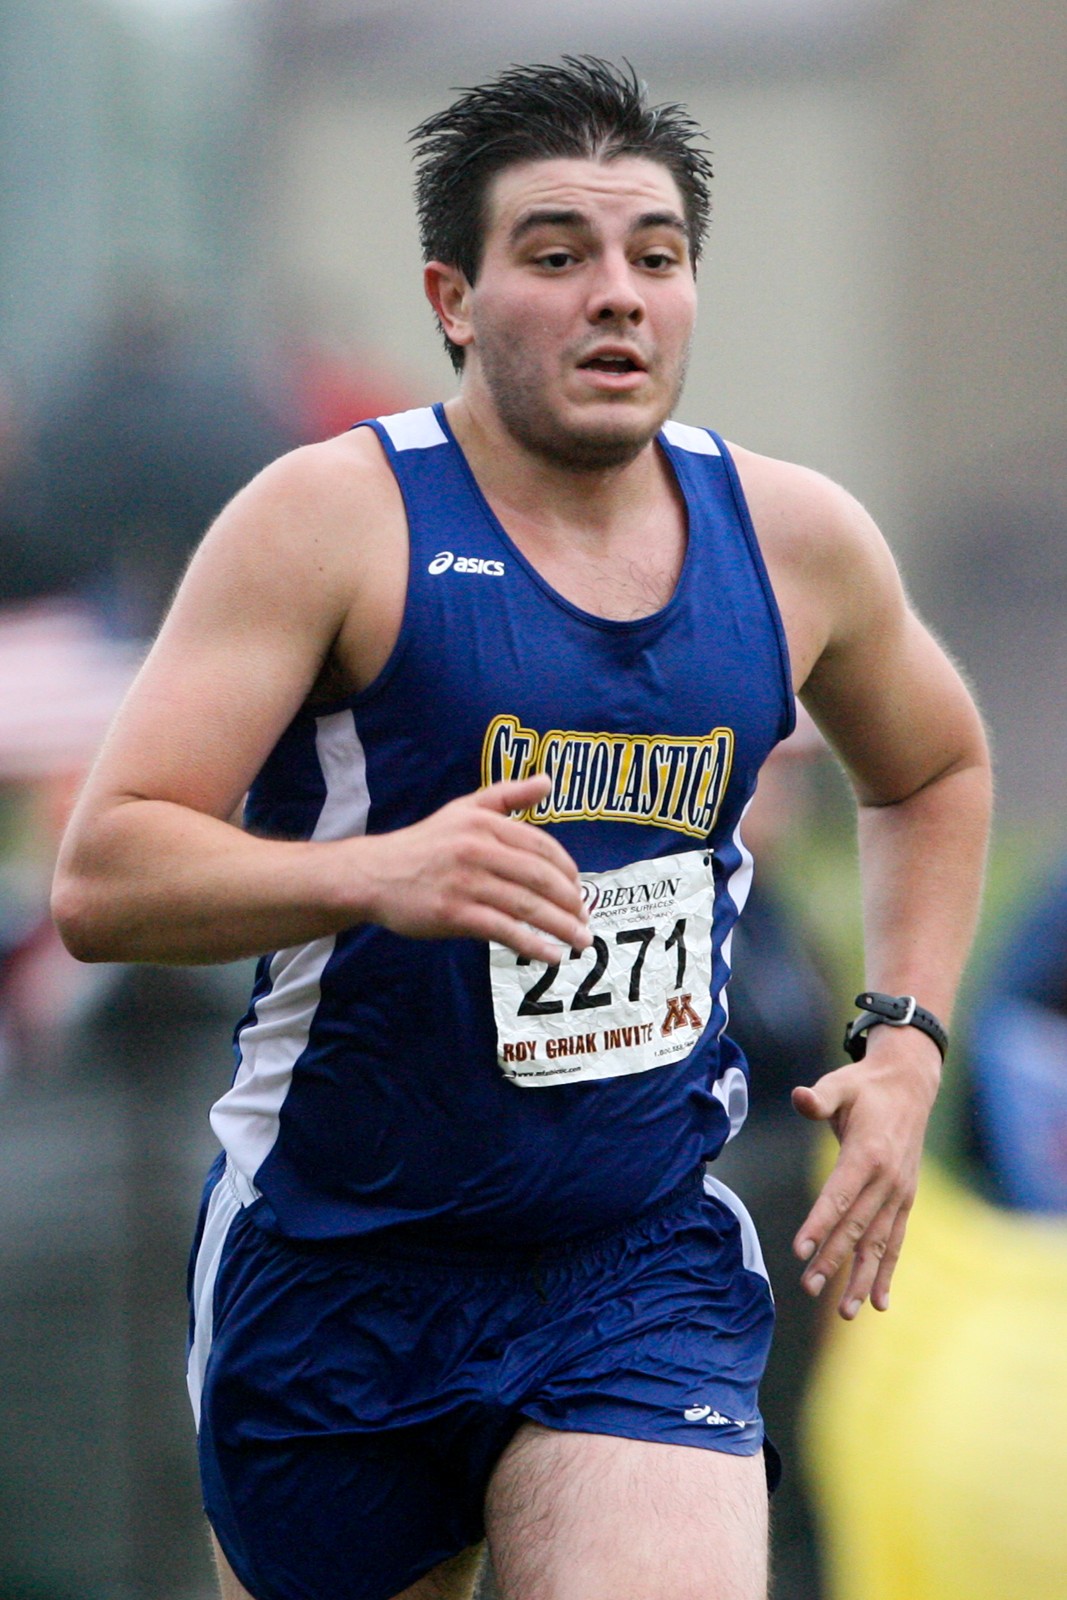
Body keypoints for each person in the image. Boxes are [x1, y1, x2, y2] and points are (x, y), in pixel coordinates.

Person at [50, 56, 991, 1600]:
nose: (617, 295)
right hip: (338, 1267)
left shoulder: (797, 540)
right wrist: (375, 874)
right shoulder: (329, 522)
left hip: (631, 1263)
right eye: (556, 256)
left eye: (657, 257)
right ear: (457, 297)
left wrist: (903, 1043)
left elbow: (935, 773)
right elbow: (105, 872)